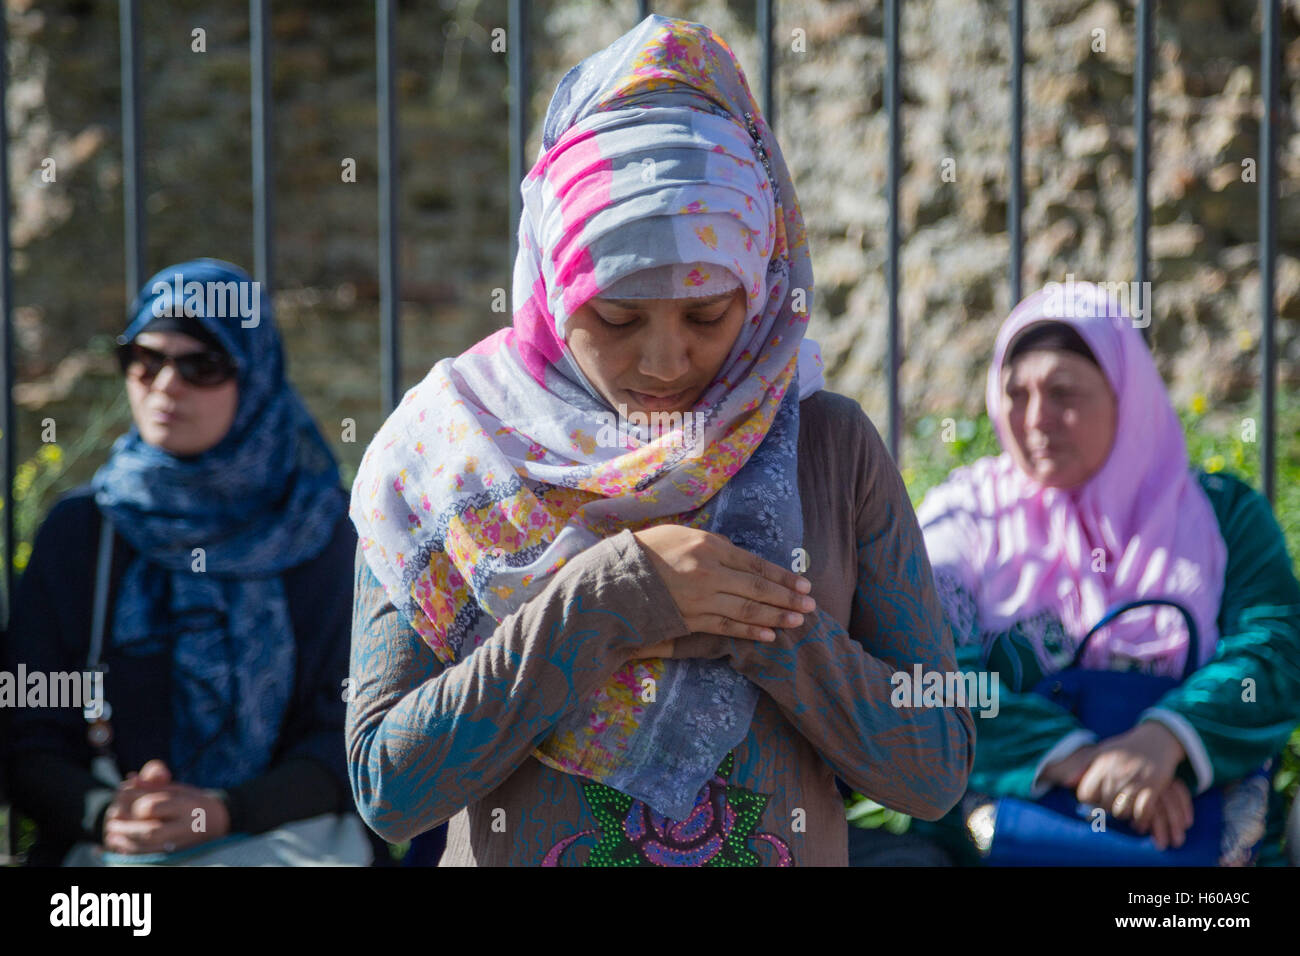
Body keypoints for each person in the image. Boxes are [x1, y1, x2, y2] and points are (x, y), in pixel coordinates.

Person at [346, 14, 974, 867]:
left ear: (760, 288)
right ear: (553, 286)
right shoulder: (448, 456)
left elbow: (934, 768)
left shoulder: (830, 449)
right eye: (617, 315)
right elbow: (389, 790)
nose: (666, 359)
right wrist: (605, 599)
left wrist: (765, 628)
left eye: (709, 314)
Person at [903, 281, 1300, 866]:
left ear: (1126, 396)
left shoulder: (1223, 517)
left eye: (1063, 392)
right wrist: (1078, 760)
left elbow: (1275, 648)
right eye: (1016, 393)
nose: (1036, 418)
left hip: (1196, 842)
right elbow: (921, 664)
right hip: (991, 846)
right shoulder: (965, 518)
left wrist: (1167, 739)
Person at [3, 258, 374, 865]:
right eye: (144, 359)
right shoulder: (85, 531)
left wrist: (222, 811)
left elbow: (352, 734)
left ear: (254, 378)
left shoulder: (323, 531)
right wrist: (107, 814)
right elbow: (26, 729)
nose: (165, 385)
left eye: (201, 366)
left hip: (286, 844)